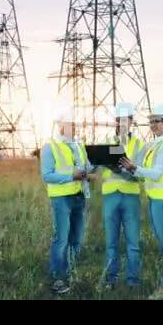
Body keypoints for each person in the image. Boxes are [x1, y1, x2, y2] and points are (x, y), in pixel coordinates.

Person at [120, 104, 163, 290]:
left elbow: (155, 174)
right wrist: (128, 167)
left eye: (158, 121)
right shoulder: (155, 144)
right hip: (155, 199)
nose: (153, 124)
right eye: (151, 121)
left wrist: (134, 169)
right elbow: (142, 169)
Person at [41, 106, 94, 295]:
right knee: (61, 239)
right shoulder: (50, 146)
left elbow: (87, 166)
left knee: (76, 239)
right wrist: (73, 176)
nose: (72, 127)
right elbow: (47, 175)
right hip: (61, 198)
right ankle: (57, 278)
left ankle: (71, 273)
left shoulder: (79, 146)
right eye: (68, 124)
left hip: (79, 196)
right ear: (60, 126)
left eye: (74, 124)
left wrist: (105, 159)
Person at [101, 103, 145, 289]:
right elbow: (97, 165)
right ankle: (110, 280)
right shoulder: (107, 142)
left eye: (126, 120)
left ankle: (133, 281)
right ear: (116, 122)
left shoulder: (139, 145)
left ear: (132, 122)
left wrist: (125, 171)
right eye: (120, 120)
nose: (123, 123)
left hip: (130, 197)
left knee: (132, 242)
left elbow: (141, 173)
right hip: (110, 196)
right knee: (111, 242)